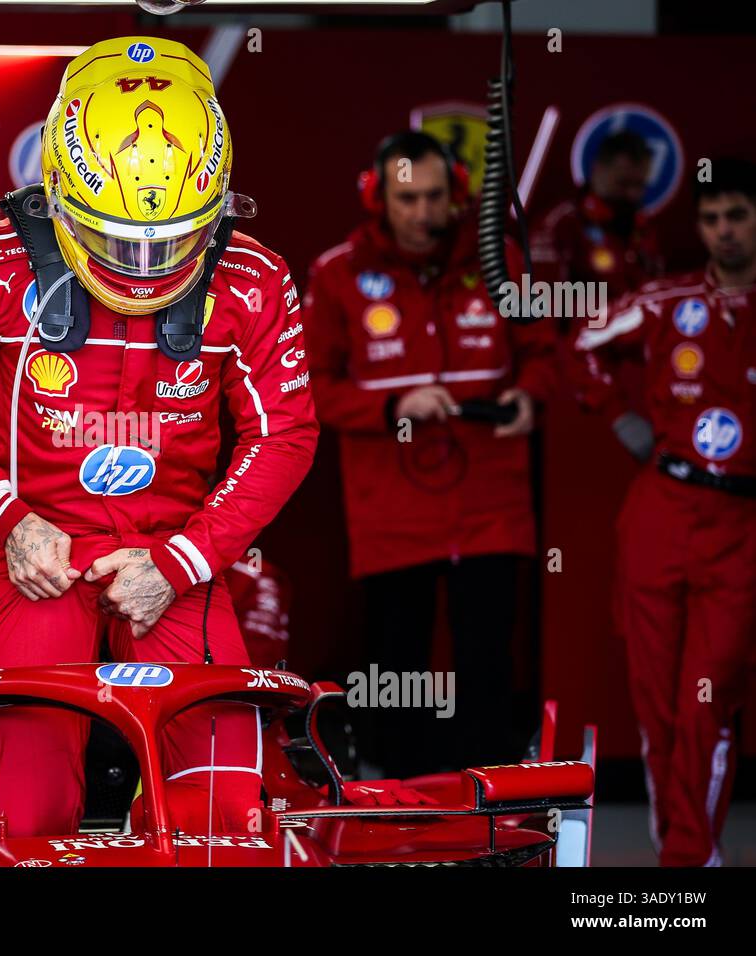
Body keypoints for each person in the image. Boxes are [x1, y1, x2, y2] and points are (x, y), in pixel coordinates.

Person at [0, 36, 317, 838]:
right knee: (33, 818)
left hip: (179, 557)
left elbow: (285, 433)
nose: (147, 266)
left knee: (223, 816)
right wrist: (10, 518)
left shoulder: (255, 279)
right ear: (58, 196)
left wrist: (183, 560)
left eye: (174, 240)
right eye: (121, 242)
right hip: (41, 554)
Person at [301, 130, 556, 778]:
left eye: (434, 196)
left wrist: (528, 397)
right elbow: (313, 390)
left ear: (458, 197)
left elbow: (543, 352)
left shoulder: (502, 262)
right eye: (406, 197)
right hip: (391, 501)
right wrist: (391, 408)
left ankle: (493, 796)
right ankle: (398, 798)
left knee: (488, 655)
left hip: (490, 493)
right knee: (396, 659)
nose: (421, 212)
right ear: (377, 198)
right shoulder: (337, 273)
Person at [571, 158, 756, 867]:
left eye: (737, 216)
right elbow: (580, 346)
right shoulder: (666, 297)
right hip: (662, 510)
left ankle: (690, 855)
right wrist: (621, 418)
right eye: (711, 219)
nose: (724, 233)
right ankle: (682, 854)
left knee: (709, 698)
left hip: (740, 526)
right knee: (656, 701)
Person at [533, 130, 664, 312]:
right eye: (623, 183)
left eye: (640, 185)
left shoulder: (643, 227)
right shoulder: (562, 224)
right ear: (598, 169)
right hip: (584, 336)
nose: (633, 194)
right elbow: (542, 301)